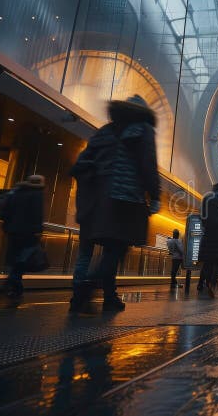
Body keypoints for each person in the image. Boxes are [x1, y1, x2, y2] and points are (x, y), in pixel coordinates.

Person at [69, 95, 161, 313]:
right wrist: (155, 195)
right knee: (116, 250)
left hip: (98, 199)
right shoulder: (143, 131)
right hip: (126, 197)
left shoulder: (104, 132)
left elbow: (81, 163)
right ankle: (89, 287)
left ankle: (108, 296)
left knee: (109, 248)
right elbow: (148, 165)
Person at [1, 175, 45, 300]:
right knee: (23, 259)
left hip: (12, 231)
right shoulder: (37, 194)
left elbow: (7, 210)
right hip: (28, 232)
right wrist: (38, 231)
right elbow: (37, 214)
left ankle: (15, 287)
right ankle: (13, 283)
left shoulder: (16, 191)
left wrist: (6, 227)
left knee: (15, 258)